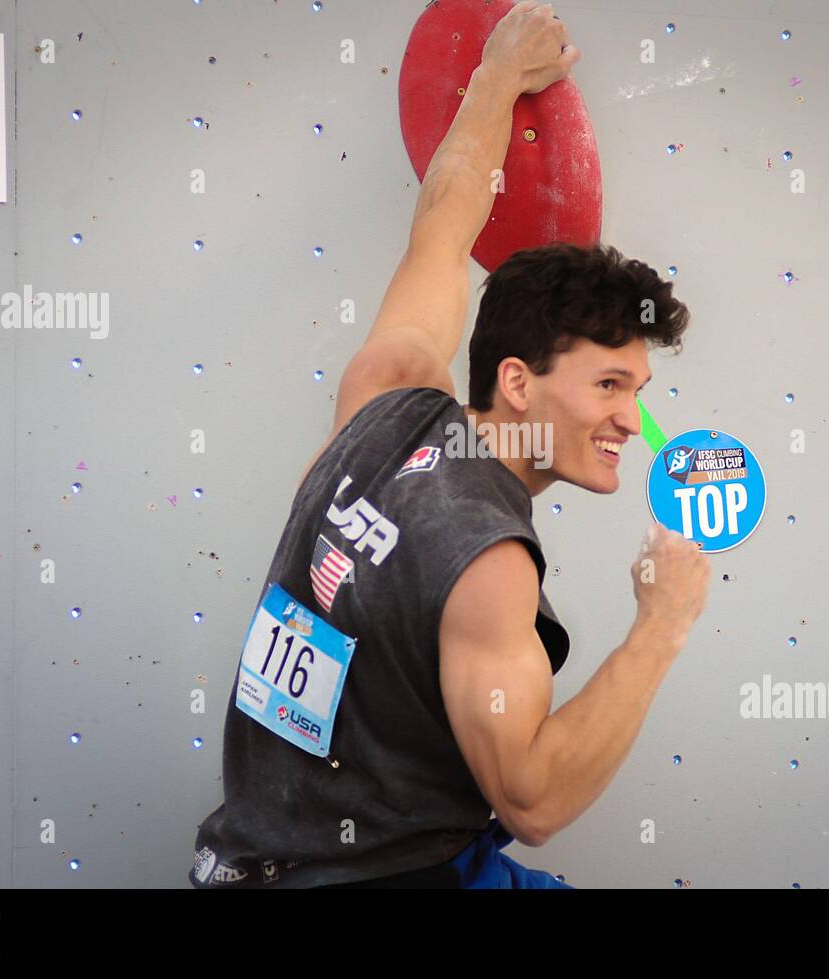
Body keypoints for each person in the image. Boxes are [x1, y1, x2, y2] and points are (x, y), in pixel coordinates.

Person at [189, 0, 711, 890]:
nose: (631, 420)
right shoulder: (487, 560)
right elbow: (533, 801)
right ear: (516, 381)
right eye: (609, 387)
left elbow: (445, 217)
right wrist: (660, 626)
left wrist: (499, 74)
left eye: (639, 392)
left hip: (247, 858)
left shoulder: (387, 394)